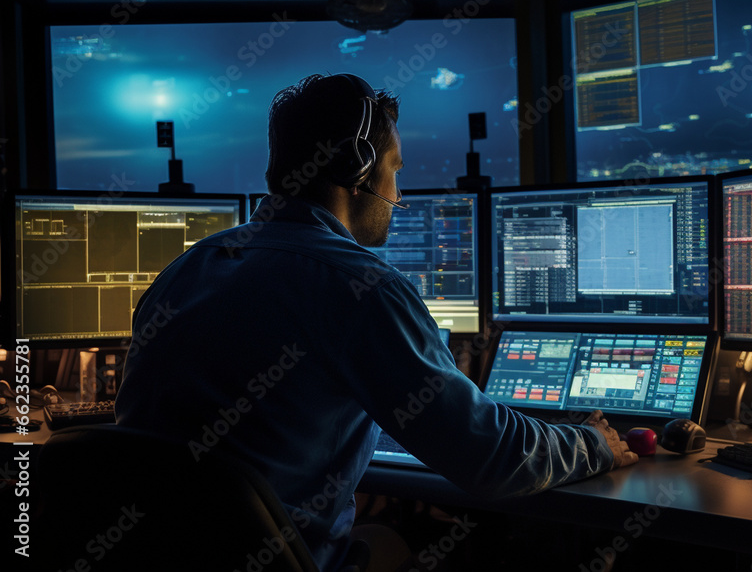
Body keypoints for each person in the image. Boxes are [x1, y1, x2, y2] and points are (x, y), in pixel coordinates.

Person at [115, 73, 637, 570]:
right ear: (358, 169)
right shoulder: (359, 286)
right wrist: (593, 444)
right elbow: (487, 459)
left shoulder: (185, 270)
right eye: (397, 169)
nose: (400, 196)